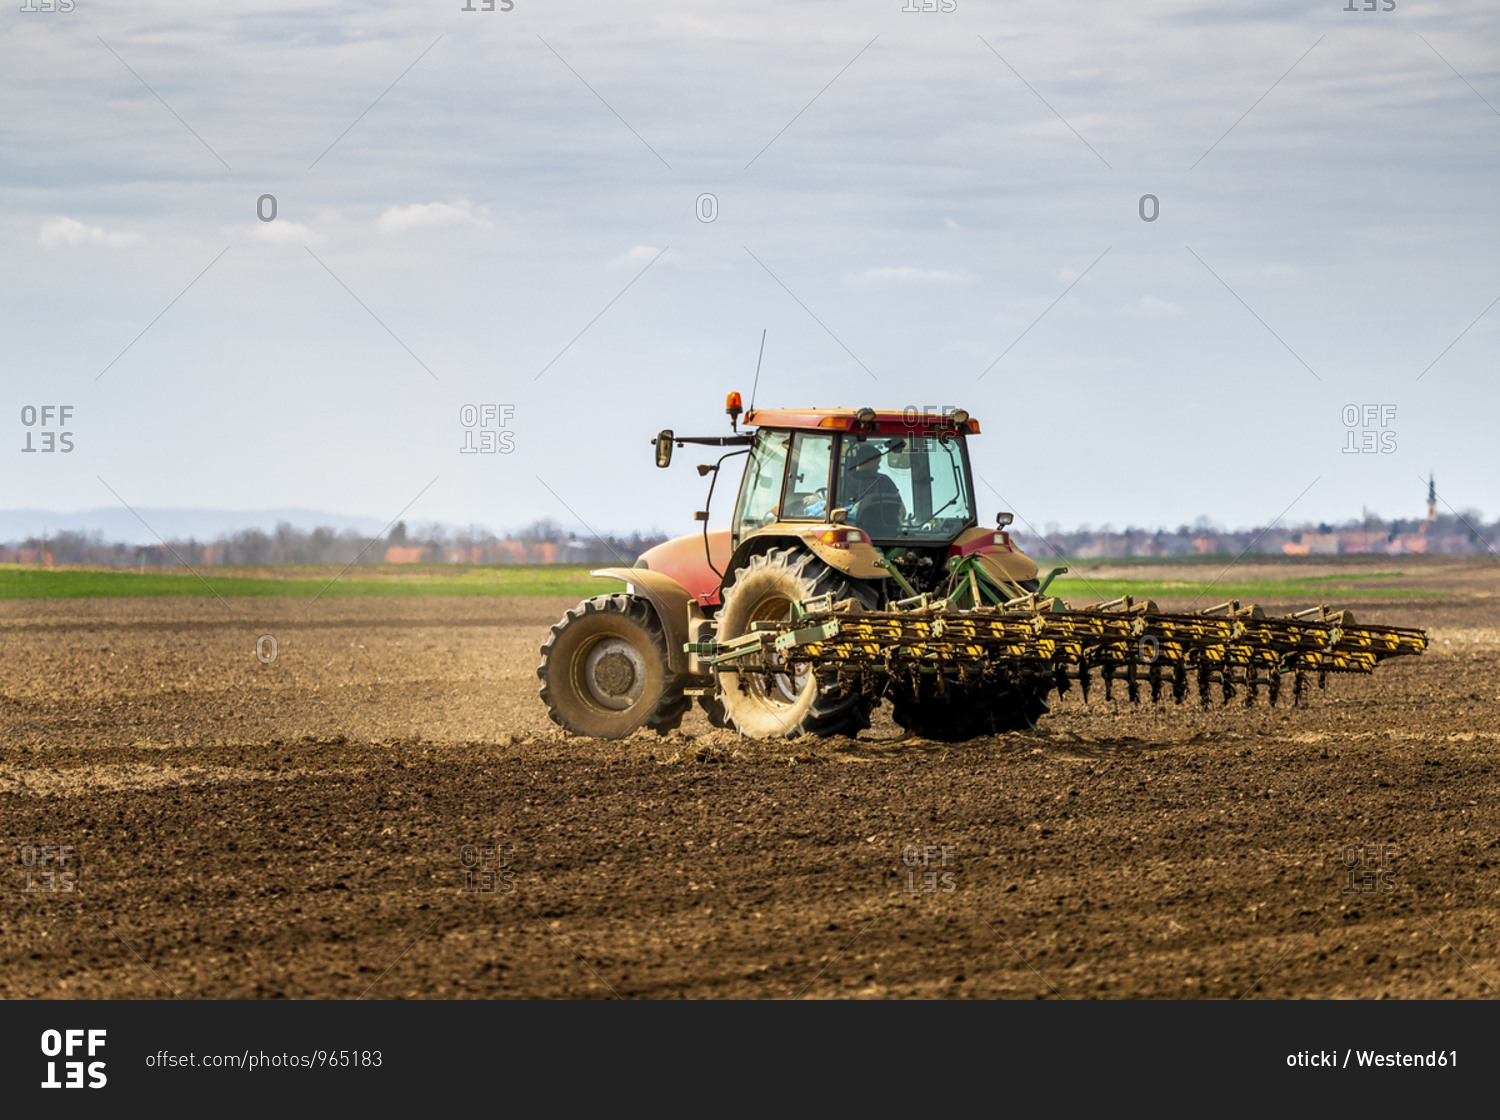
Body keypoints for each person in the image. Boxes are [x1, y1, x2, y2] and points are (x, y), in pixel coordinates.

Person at [842, 445, 906, 537]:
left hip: (851, 535)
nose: (878, 467)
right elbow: (902, 511)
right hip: (887, 536)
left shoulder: (844, 482)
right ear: (871, 461)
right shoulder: (885, 481)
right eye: (878, 462)